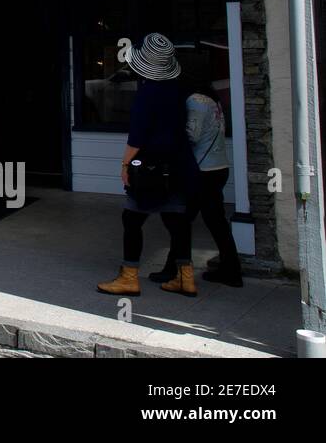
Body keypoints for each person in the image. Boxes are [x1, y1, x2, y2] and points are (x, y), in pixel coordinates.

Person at [97, 33, 200, 298]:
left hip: (150, 165)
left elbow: (138, 135)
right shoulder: (177, 89)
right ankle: (185, 277)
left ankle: (129, 276)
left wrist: (125, 164)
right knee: (177, 220)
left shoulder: (147, 92)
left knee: (132, 219)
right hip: (178, 162)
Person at [149, 81, 244, 287]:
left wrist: (166, 139)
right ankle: (231, 269)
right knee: (216, 222)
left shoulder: (195, 101)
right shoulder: (212, 100)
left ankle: (174, 270)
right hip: (217, 167)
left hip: (201, 170)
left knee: (180, 221)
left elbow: (191, 135)